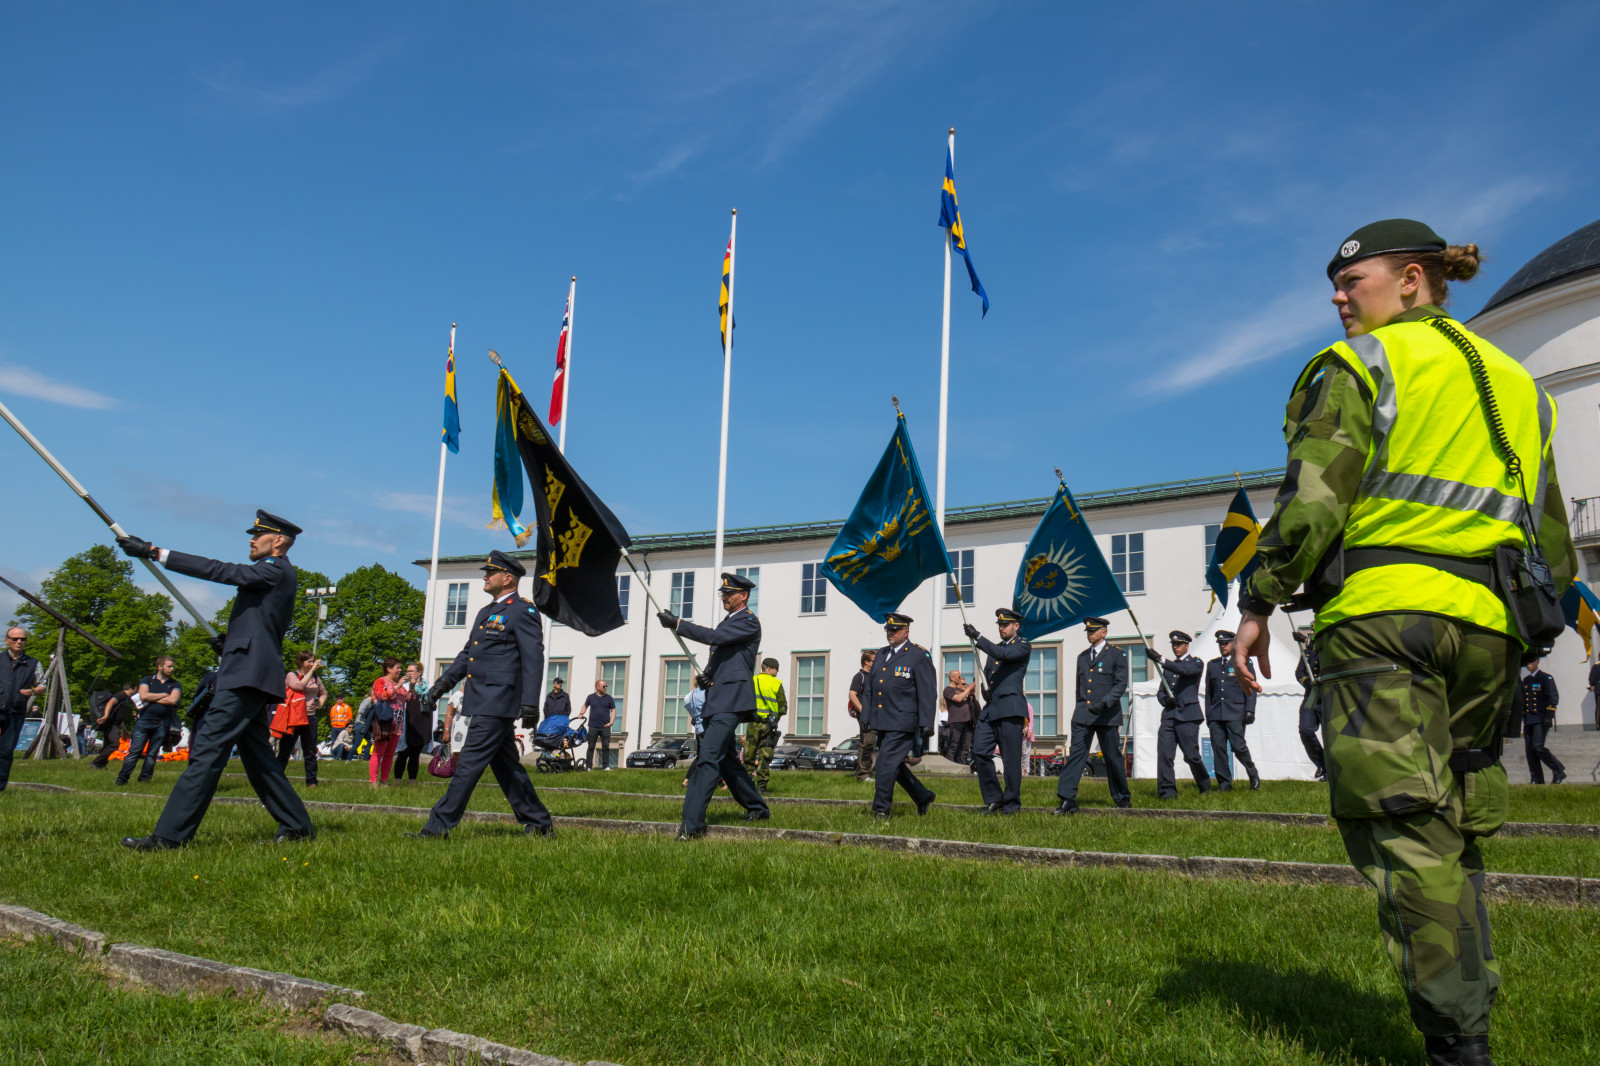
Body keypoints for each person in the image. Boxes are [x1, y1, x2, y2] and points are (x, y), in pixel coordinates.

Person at [1233, 221, 1578, 1064]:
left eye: (1353, 281)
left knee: (1406, 830)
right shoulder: (1519, 385)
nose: (1338, 297)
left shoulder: (1360, 364)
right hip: (1488, 631)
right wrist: (1544, 624)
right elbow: (1552, 534)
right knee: (1457, 824)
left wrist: (1260, 599)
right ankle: (1470, 1004)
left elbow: (1315, 499)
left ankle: (1458, 1041)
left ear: (1414, 280)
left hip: (1385, 621)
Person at [115, 510, 315, 848]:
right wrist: (230, 642)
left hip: (246, 677)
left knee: (206, 751)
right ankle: (297, 826)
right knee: (259, 759)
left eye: (259, 534)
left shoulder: (275, 569)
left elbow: (221, 570)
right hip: (249, 672)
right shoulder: (276, 573)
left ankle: (169, 837)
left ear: (279, 540)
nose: (252, 539)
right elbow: (262, 624)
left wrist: (155, 552)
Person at [413, 551, 554, 839]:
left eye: (491, 572)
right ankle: (539, 824)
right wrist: (441, 685)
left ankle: (437, 827)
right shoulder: (485, 612)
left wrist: (530, 703)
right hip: (481, 700)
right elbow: (468, 655)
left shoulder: (522, 611)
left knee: (467, 766)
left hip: (498, 701)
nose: (485, 577)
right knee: (507, 768)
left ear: (508, 578)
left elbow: (533, 659)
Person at [658, 572, 770, 838]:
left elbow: (714, 637)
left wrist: (678, 623)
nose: (724, 597)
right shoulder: (730, 622)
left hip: (731, 701)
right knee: (727, 761)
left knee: (707, 758)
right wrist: (708, 676)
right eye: (723, 593)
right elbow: (727, 660)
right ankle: (758, 808)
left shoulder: (749, 621)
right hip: (717, 698)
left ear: (744, 596)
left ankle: (691, 826)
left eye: (729, 593)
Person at [864, 612, 938, 819]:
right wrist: (866, 717)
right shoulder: (881, 654)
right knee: (893, 764)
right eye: (888, 630)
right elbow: (870, 688)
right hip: (883, 719)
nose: (891, 633)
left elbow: (927, 691)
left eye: (895, 630)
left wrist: (926, 722)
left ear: (906, 631)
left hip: (903, 720)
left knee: (884, 764)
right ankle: (922, 796)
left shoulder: (918, 655)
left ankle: (881, 810)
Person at [1054, 617, 1130, 814]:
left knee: (1112, 757)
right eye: (1088, 631)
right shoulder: (1082, 657)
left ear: (1104, 632)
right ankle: (1067, 799)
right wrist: (1080, 709)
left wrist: (1104, 703)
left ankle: (1122, 798)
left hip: (1107, 715)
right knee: (1076, 756)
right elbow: (1080, 689)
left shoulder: (1117, 654)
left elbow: (1120, 685)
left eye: (1093, 630)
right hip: (1083, 715)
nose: (1090, 633)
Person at [964, 608, 1030, 814]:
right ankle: (994, 799)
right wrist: (985, 690)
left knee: (1011, 760)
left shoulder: (1023, 645)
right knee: (979, 752)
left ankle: (1011, 804)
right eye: (1000, 625)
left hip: (1010, 709)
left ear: (1016, 626)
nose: (1002, 628)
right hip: (991, 709)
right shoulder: (994, 649)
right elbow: (989, 677)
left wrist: (977, 636)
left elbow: (1003, 655)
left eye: (1005, 624)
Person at [1147, 630, 1210, 799]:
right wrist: (1165, 700)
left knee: (1191, 755)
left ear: (1187, 646)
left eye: (1179, 644)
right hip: (1169, 716)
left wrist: (1160, 659)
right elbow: (1161, 691)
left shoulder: (1196, 663)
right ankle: (1167, 791)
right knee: (1165, 755)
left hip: (1188, 716)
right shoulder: (1169, 668)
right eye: (1174, 644)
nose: (1176, 647)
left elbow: (1184, 670)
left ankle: (1204, 784)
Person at [1205, 630, 1260, 792]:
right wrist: (1209, 714)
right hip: (1216, 714)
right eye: (1220, 644)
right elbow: (1209, 692)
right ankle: (1224, 783)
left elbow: (1251, 688)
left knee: (1238, 746)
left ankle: (1252, 773)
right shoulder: (1212, 665)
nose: (1223, 646)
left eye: (1226, 643)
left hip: (1235, 712)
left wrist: (1250, 710)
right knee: (1219, 749)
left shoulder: (1243, 663)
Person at [116, 655, 182, 785]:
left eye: (172, 666)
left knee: (152, 754)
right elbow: (143, 696)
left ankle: (144, 780)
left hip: (162, 723)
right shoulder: (147, 680)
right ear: (160, 667)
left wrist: (152, 698)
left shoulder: (175, 683)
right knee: (134, 751)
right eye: (169, 666)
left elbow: (173, 700)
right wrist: (164, 695)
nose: (172, 669)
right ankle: (122, 779)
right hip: (144, 722)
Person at [0, 627, 45, 792]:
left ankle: (0, 787)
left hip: (15, 712)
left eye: (23, 639)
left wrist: (32, 691)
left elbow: (42, 685)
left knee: (6, 751)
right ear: (7, 640)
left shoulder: (33, 663)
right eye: (15, 639)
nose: (19, 642)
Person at [273, 652, 323, 787]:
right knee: (285, 750)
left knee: (310, 751)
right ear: (301, 662)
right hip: (293, 717)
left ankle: (312, 781)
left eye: (313, 661)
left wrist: (320, 703)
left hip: (310, 717)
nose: (312, 664)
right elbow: (299, 686)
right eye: (309, 662)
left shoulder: (315, 677)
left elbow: (323, 693)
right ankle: (276, 780)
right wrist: (311, 672)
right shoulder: (291, 675)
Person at [1516, 658, 1565, 785]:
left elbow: (1552, 697)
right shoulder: (1526, 680)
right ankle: (1536, 778)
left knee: (1537, 746)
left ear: (1537, 662)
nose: (1529, 665)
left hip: (1540, 718)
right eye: (1527, 663)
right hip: (1529, 719)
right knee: (1530, 751)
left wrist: (1549, 716)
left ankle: (1558, 770)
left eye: (1531, 662)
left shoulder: (1545, 678)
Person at [743, 658, 787, 793]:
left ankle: (746, 786)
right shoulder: (776, 683)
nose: (777, 671)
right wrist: (775, 718)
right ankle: (761, 787)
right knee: (765, 756)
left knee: (748, 755)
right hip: (769, 725)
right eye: (776, 668)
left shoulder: (752, 681)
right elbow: (783, 707)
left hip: (753, 723)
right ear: (768, 668)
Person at [1293, 626, 1326, 780]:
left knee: (1329, 736)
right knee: (1305, 730)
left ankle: (1331, 772)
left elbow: (1322, 648)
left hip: (1327, 696)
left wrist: (1306, 640)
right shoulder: (1307, 653)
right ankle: (1322, 764)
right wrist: (1307, 683)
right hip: (1311, 696)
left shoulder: (1326, 648)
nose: (1313, 634)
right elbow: (1299, 672)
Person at [368, 659, 406, 787]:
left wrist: (411, 686)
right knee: (378, 752)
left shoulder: (398, 684)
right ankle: (373, 781)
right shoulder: (381, 681)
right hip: (385, 721)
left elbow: (409, 698)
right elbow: (381, 696)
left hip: (398, 723)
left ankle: (384, 780)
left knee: (389, 754)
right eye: (397, 667)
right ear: (389, 669)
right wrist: (397, 686)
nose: (400, 670)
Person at [392, 663, 430, 783]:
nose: (408, 673)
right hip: (406, 724)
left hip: (421, 724)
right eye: (407, 671)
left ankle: (412, 782)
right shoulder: (404, 687)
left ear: (419, 673)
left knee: (415, 755)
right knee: (403, 754)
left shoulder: (427, 688)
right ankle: (397, 781)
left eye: (411, 671)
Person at [91, 681, 138, 769]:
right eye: (135, 690)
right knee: (114, 744)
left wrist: (124, 730)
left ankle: (101, 765)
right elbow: (110, 703)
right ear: (130, 689)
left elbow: (119, 717)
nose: (135, 692)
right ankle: (96, 762)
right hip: (112, 723)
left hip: (114, 723)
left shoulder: (125, 698)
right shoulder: (121, 695)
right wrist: (106, 716)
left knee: (107, 745)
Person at [848, 650, 877, 783]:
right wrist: (863, 711)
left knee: (875, 743)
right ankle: (862, 775)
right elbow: (852, 694)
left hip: (877, 714)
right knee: (867, 742)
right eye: (873, 661)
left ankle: (870, 770)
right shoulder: (860, 676)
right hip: (866, 716)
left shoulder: (875, 676)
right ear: (866, 662)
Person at [942, 668, 978, 768]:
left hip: (967, 722)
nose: (960, 678)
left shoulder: (962, 691)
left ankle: (962, 766)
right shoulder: (948, 690)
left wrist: (971, 694)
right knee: (953, 745)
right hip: (956, 722)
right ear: (952, 678)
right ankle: (950, 767)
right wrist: (968, 689)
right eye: (958, 677)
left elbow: (971, 704)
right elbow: (958, 699)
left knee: (965, 747)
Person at [583, 679, 617, 771]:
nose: (605, 688)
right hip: (593, 726)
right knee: (591, 746)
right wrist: (581, 714)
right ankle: (588, 766)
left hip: (605, 727)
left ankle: (606, 766)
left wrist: (611, 722)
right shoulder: (591, 697)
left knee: (605, 746)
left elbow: (613, 711)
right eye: (603, 686)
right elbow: (585, 706)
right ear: (597, 687)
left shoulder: (609, 698)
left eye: (606, 686)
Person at [327, 695, 354, 760]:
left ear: (343, 699)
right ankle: (334, 756)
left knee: (342, 741)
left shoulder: (346, 707)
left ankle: (341, 756)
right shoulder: (333, 707)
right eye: (338, 698)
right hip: (334, 726)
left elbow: (350, 717)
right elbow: (331, 716)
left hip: (342, 727)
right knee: (334, 742)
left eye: (340, 698)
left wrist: (345, 723)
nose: (339, 699)